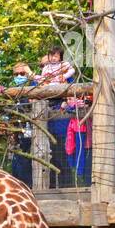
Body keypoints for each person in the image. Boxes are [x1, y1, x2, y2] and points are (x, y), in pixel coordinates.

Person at [39, 45, 76, 187]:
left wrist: (66, 101)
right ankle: (51, 186)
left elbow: (72, 94)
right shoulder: (43, 76)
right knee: (49, 158)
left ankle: (67, 186)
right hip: (46, 126)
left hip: (62, 126)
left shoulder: (66, 76)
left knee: (63, 157)